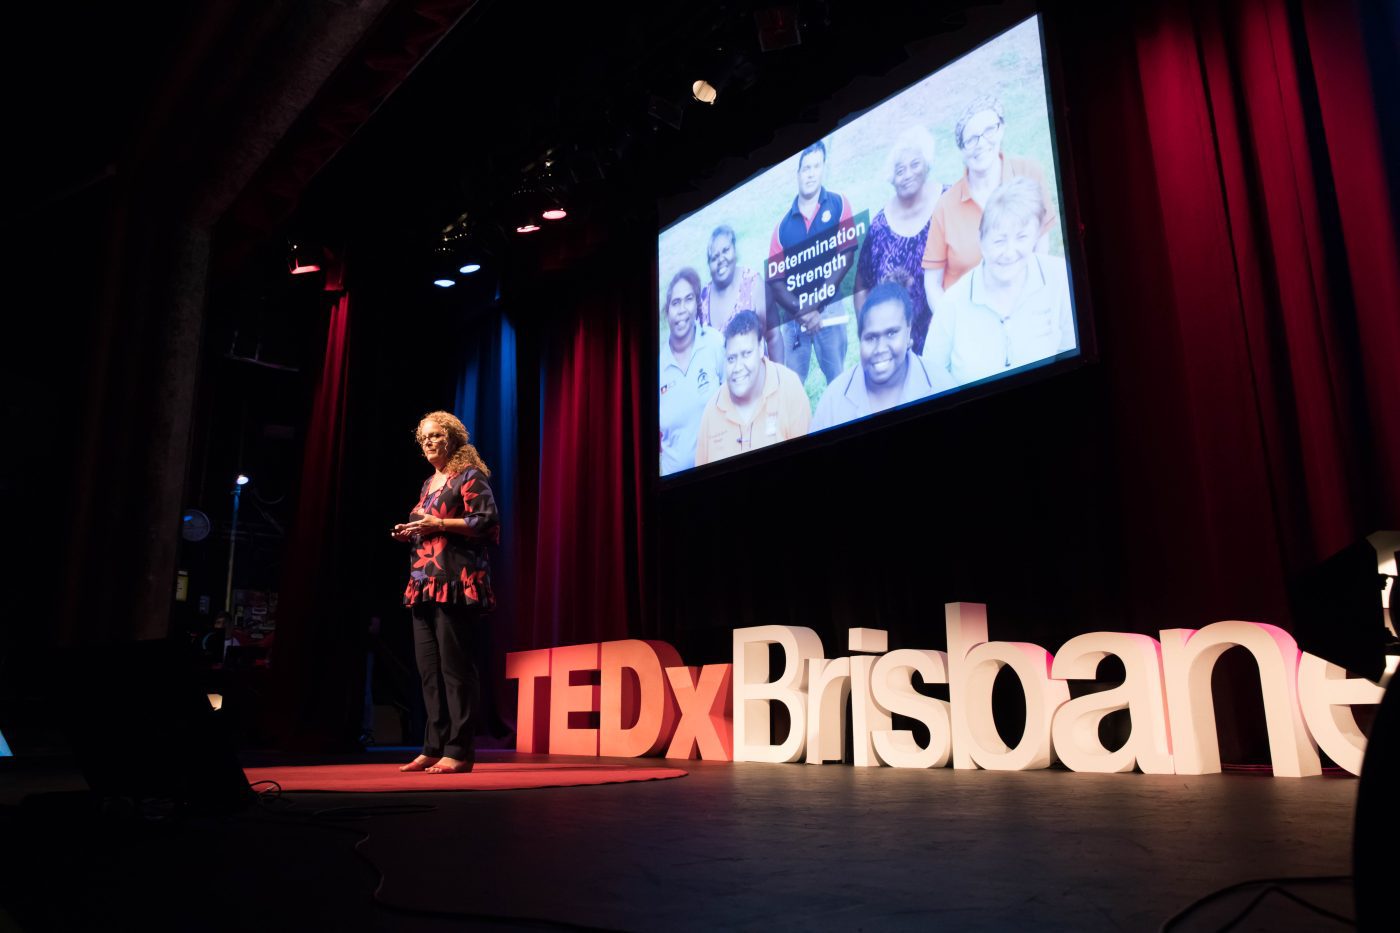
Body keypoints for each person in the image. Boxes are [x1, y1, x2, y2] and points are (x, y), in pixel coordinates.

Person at [391, 411, 500, 774]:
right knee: (428, 671)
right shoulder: (428, 483)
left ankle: (459, 749)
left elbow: (485, 521)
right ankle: (433, 746)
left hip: (455, 581)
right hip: (424, 581)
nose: (428, 442)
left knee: (455, 669)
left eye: (435, 435)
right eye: (423, 437)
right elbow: (426, 523)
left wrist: (438, 523)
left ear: (452, 438)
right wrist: (410, 530)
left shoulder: (469, 476)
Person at [925, 177, 1075, 386]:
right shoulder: (951, 304)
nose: (1009, 252)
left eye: (1022, 237)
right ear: (981, 240)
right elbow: (932, 382)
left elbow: (1072, 362)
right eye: (999, 240)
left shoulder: (1059, 277)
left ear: (1035, 236)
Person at [921, 95, 1058, 305]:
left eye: (989, 130)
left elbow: (1041, 245)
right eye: (971, 139)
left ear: (1001, 128)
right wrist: (954, 326)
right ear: (961, 150)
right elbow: (932, 284)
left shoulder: (1030, 172)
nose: (981, 143)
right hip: (968, 319)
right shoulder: (944, 206)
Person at [767, 140, 857, 384]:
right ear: (797, 173)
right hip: (794, 321)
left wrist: (817, 304)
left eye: (816, 166)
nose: (811, 174)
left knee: (838, 380)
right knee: (791, 384)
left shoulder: (839, 204)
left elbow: (846, 255)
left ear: (824, 167)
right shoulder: (781, 228)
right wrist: (802, 311)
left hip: (831, 308)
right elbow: (776, 282)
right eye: (806, 168)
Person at [811, 281, 951, 431]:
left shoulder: (940, 385)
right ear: (860, 340)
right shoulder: (834, 400)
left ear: (908, 331)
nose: (880, 348)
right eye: (871, 337)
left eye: (891, 333)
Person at [854, 127, 944, 355]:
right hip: (900, 350)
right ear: (891, 178)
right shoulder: (879, 227)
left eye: (915, 164)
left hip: (951, 333)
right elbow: (861, 287)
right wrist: (870, 334)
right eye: (899, 170)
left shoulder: (948, 202)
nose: (908, 174)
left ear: (927, 164)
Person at [694, 310, 811, 465]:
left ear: (761, 349)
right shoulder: (712, 410)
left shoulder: (789, 386)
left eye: (746, 354)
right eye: (731, 358)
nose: (737, 367)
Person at [659, 268, 726, 476]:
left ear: (697, 305)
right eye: (675, 302)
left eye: (688, 299)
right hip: (675, 487)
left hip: (720, 470)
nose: (681, 309)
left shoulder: (714, 342)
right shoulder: (658, 367)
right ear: (667, 311)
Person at [699, 225, 779, 357]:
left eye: (725, 250)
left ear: (735, 250)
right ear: (709, 265)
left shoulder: (754, 285)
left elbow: (774, 337)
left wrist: (777, 376)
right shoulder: (702, 300)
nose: (720, 260)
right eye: (714, 257)